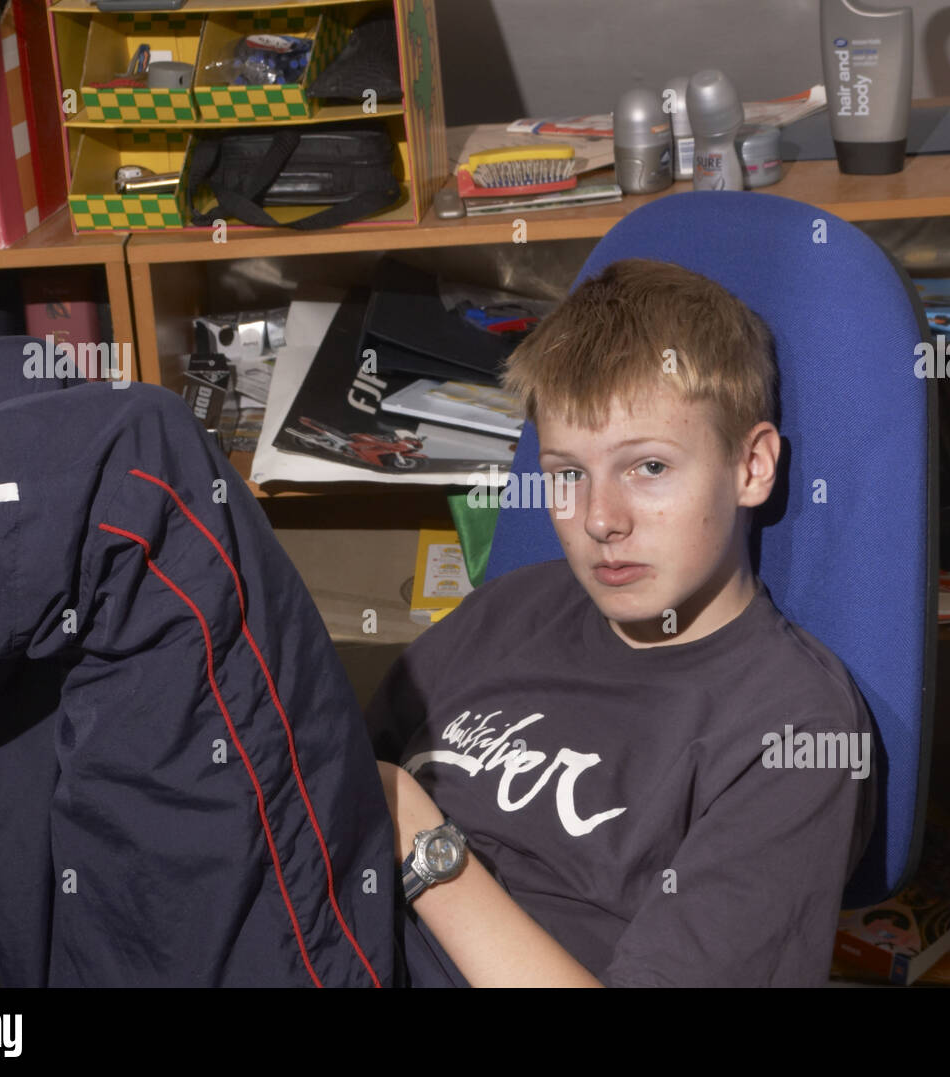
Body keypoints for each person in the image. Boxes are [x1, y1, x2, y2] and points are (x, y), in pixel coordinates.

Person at [367, 257, 877, 988]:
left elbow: (386, 799)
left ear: (751, 466)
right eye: (568, 474)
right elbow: (332, 781)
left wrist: (422, 842)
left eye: (648, 468)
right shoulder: (510, 610)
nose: (600, 519)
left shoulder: (794, 730)